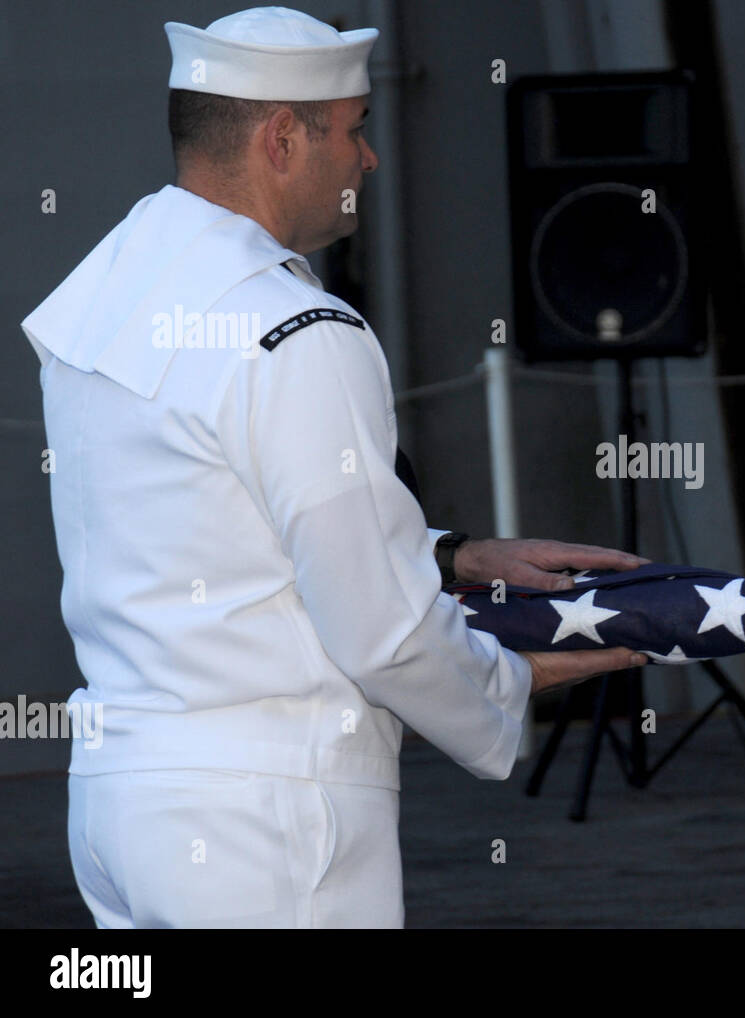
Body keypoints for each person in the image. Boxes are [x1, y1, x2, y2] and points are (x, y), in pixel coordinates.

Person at [21, 6, 646, 929]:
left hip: (126, 801)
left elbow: (205, 518)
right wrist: (518, 677)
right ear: (282, 138)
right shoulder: (299, 330)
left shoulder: (105, 290)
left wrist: (451, 554)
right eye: (355, 129)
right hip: (263, 823)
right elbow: (382, 633)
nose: (369, 160)